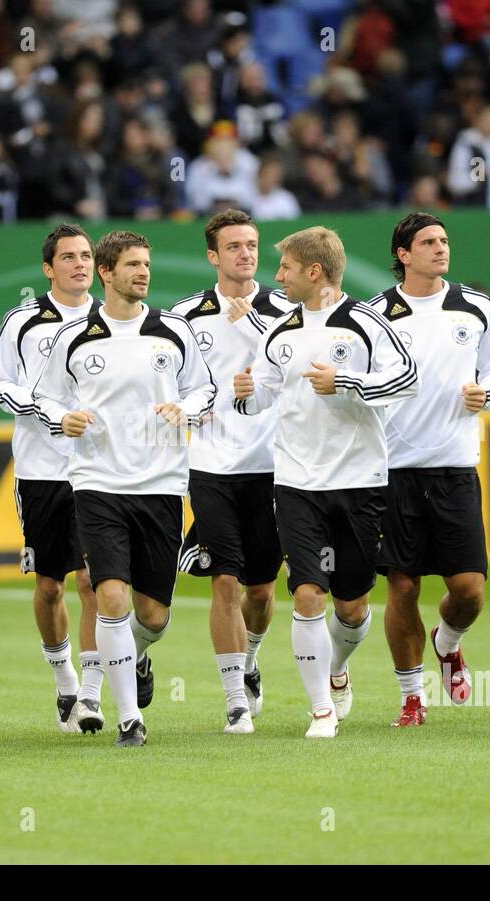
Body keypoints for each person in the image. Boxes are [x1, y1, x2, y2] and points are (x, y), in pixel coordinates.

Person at [31, 230, 216, 747]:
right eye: (132, 265)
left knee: (152, 615)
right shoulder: (74, 337)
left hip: (160, 485)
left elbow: (204, 389)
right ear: (107, 274)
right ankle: (130, 720)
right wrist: (62, 418)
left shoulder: (172, 332)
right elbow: (44, 397)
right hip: (97, 483)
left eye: (147, 265)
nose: (143, 273)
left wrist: (189, 409)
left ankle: (137, 654)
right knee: (110, 597)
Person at [233, 226, 418, 738]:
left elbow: (407, 379)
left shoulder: (366, 322)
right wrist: (247, 393)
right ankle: (320, 709)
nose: (277, 277)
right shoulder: (279, 331)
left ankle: (337, 668)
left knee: (353, 607)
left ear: (314, 272)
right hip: (294, 481)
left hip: (360, 480)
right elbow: (262, 396)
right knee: (308, 593)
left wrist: (348, 382)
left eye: (286, 268)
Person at [368, 212, 490, 727]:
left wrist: (487, 391)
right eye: (428, 242)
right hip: (392, 470)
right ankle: (412, 697)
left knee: (470, 590)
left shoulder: (475, 308)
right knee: (402, 588)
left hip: (453, 466)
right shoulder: (374, 315)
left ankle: (447, 643)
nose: (440, 248)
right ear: (403, 254)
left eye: (444, 240)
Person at [169, 209, 291, 733]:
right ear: (213, 256)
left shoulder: (287, 310)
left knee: (261, 592)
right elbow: (171, 385)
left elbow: (302, 378)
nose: (246, 253)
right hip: (211, 464)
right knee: (225, 581)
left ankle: (252, 657)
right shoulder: (184, 317)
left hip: (272, 465)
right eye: (234, 246)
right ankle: (234, 699)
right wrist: (181, 410)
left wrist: (257, 332)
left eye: (252, 244)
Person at [0, 224, 103, 734]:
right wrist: (45, 409)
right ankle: (65, 682)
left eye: (87, 255)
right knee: (52, 586)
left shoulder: (113, 318)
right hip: (40, 470)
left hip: (99, 469)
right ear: (48, 269)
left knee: (94, 580)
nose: (81, 264)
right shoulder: (24, 321)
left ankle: (93, 696)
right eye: (69, 257)